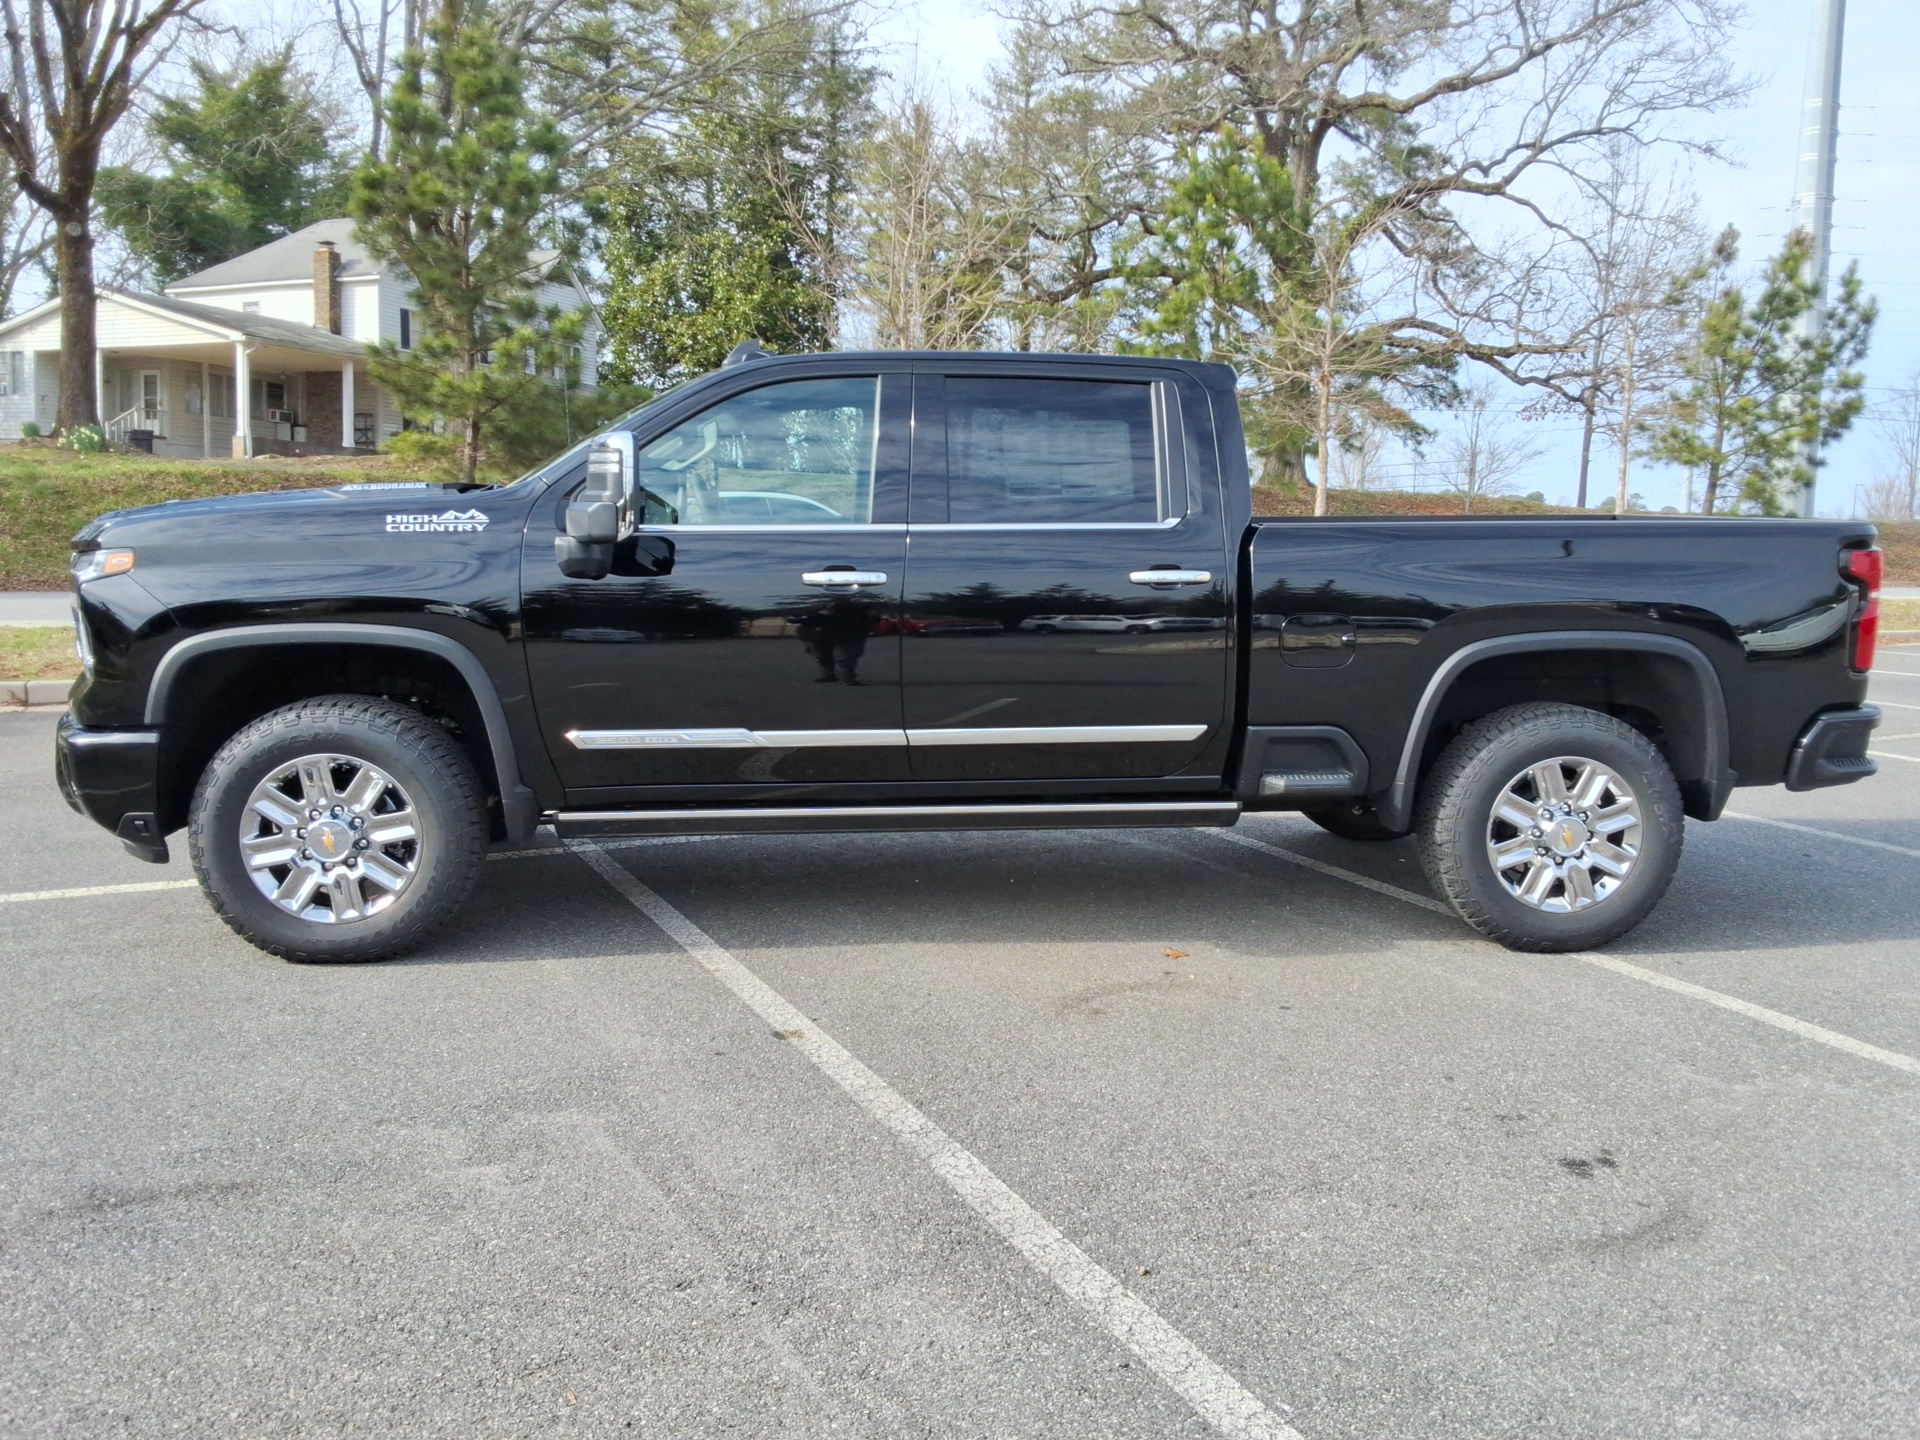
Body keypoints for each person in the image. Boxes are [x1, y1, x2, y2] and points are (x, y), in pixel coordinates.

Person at [795, 597, 873, 684]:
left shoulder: (853, 608)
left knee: (843, 656)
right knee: (826, 656)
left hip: (844, 633)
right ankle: (835, 676)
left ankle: (845, 677)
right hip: (826, 634)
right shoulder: (817, 607)